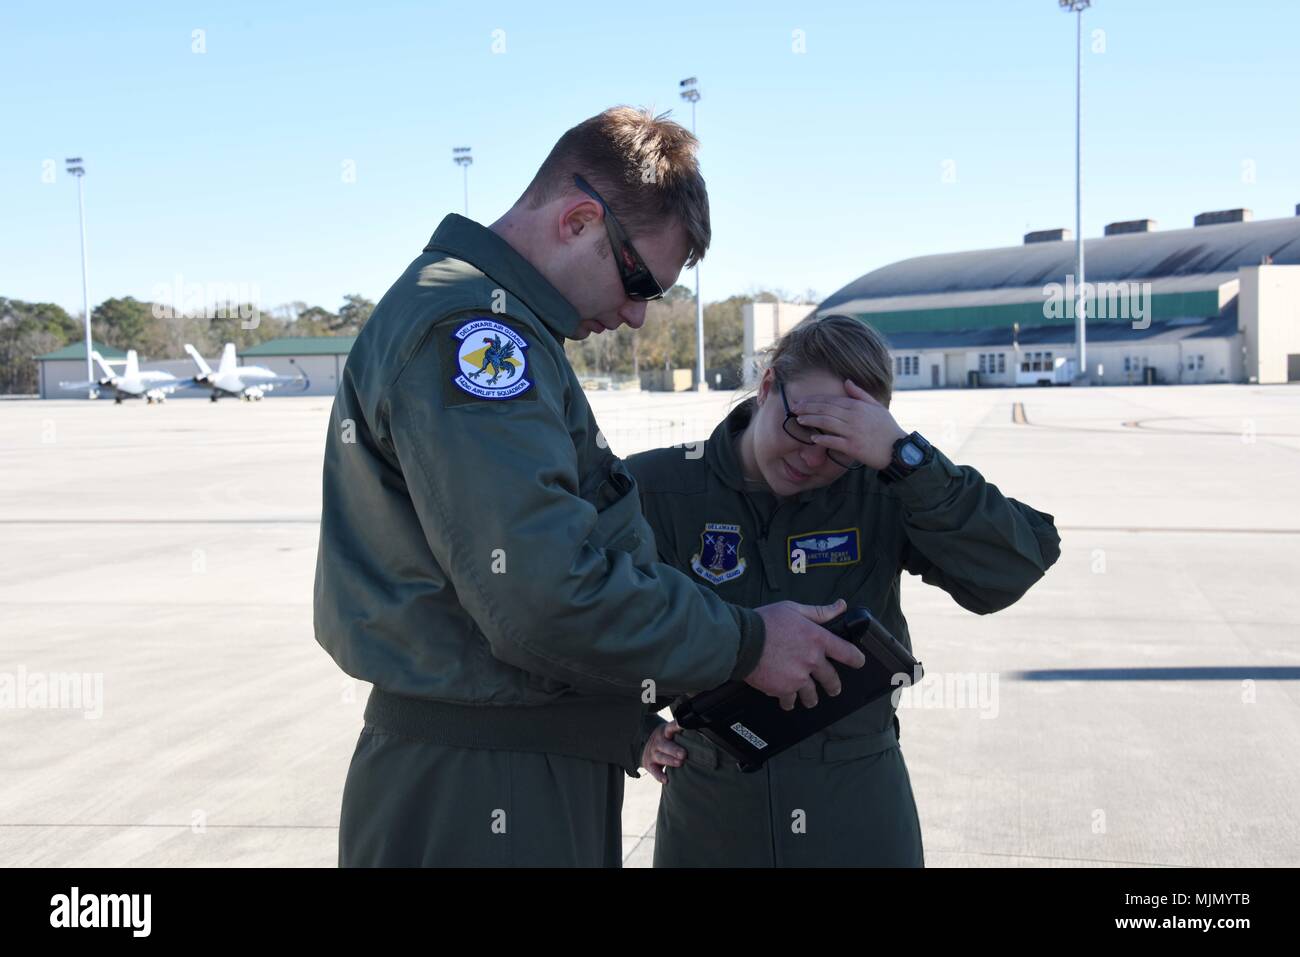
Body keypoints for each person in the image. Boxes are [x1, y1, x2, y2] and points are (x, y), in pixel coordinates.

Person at [313, 107, 865, 867]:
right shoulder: (475, 334)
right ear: (578, 221)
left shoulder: (499, 321)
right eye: (638, 279)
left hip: (512, 767)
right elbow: (543, 595)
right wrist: (748, 641)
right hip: (483, 789)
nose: (637, 315)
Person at [628, 314, 1062, 867]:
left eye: (840, 446)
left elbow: (1009, 569)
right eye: (805, 427)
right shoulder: (657, 488)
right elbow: (576, 616)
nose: (813, 458)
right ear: (767, 387)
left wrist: (909, 459)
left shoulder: (882, 490)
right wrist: (632, 726)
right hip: (713, 810)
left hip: (856, 805)